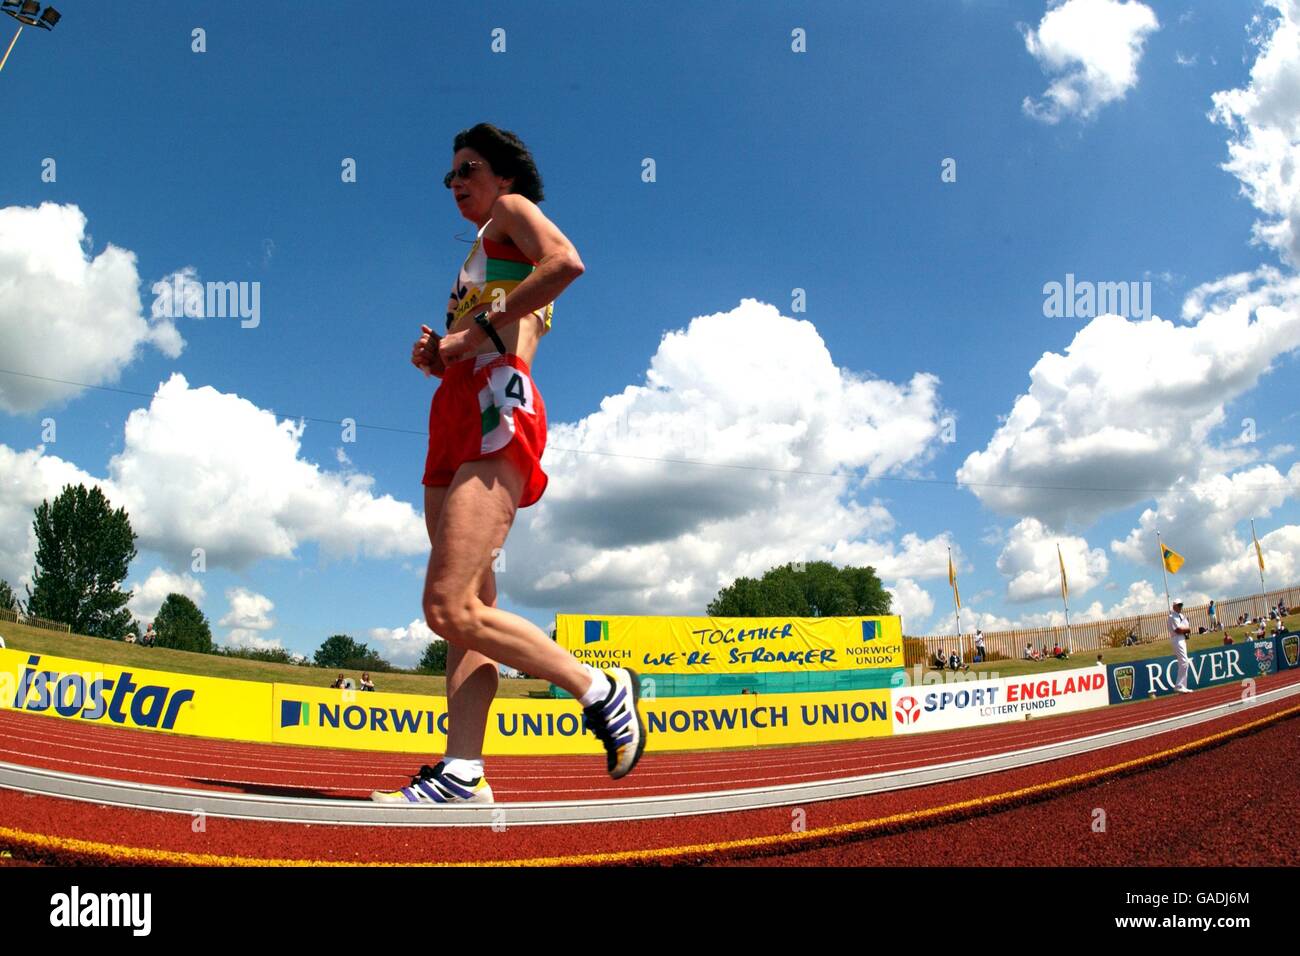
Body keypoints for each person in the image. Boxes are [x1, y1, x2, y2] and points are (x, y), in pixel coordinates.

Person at [372, 124, 645, 806]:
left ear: (504, 177)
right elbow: (471, 337)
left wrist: (474, 336)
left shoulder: (512, 214)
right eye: (449, 174)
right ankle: (462, 772)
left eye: (468, 168)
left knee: (446, 604)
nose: (454, 181)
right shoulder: (473, 259)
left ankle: (599, 688)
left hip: (499, 403)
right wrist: (440, 353)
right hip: (453, 413)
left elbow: (565, 263)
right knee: (470, 610)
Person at [1167, 600, 1193, 694]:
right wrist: (1188, 629)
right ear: (1174, 606)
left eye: (1181, 605)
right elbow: (1178, 630)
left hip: (1182, 639)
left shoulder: (1182, 616)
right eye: (1179, 605)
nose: (1180, 607)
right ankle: (1179, 685)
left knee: (1184, 662)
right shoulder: (1172, 616)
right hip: (1177, 639)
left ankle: (1182, 686)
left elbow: (1184, 628)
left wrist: (1185, 630)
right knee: (1184, 662)